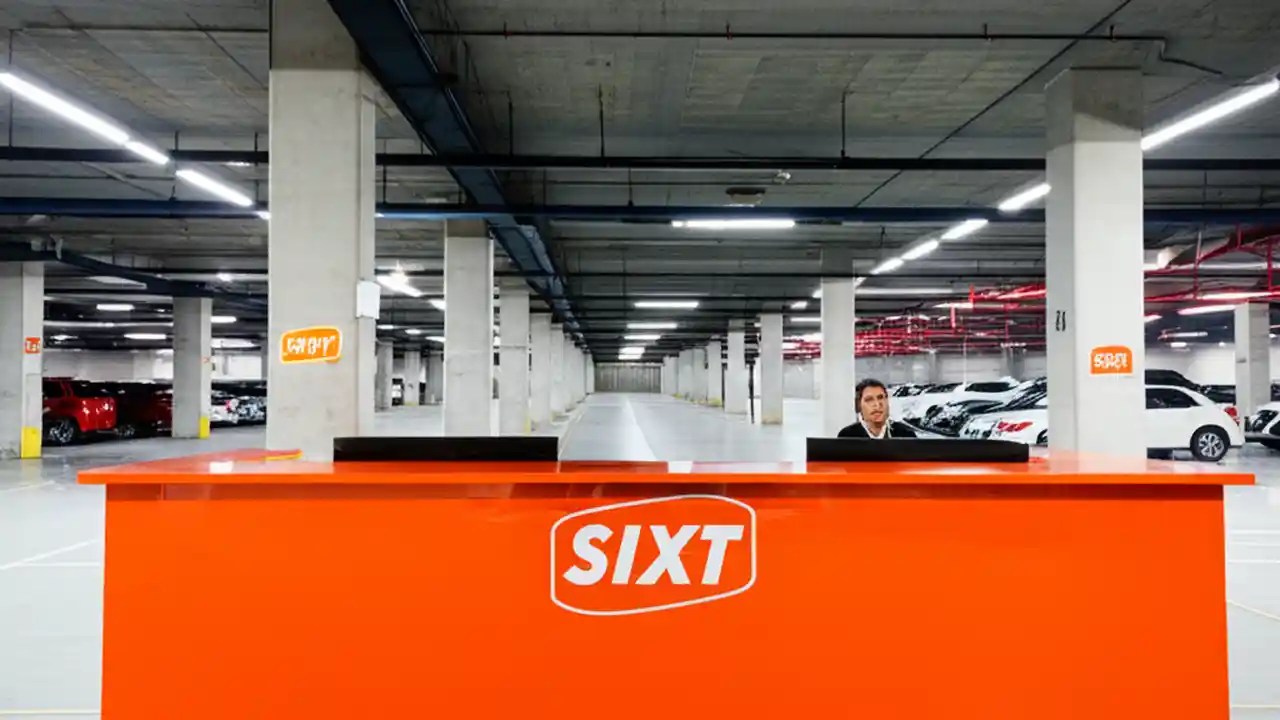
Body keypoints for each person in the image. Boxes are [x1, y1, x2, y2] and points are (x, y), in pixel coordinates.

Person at [838, 378, 917, 439]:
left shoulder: (905, 434)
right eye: (869, 400)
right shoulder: (847, 436)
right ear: (859, 406)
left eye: (880, 398)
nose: (877, 404)